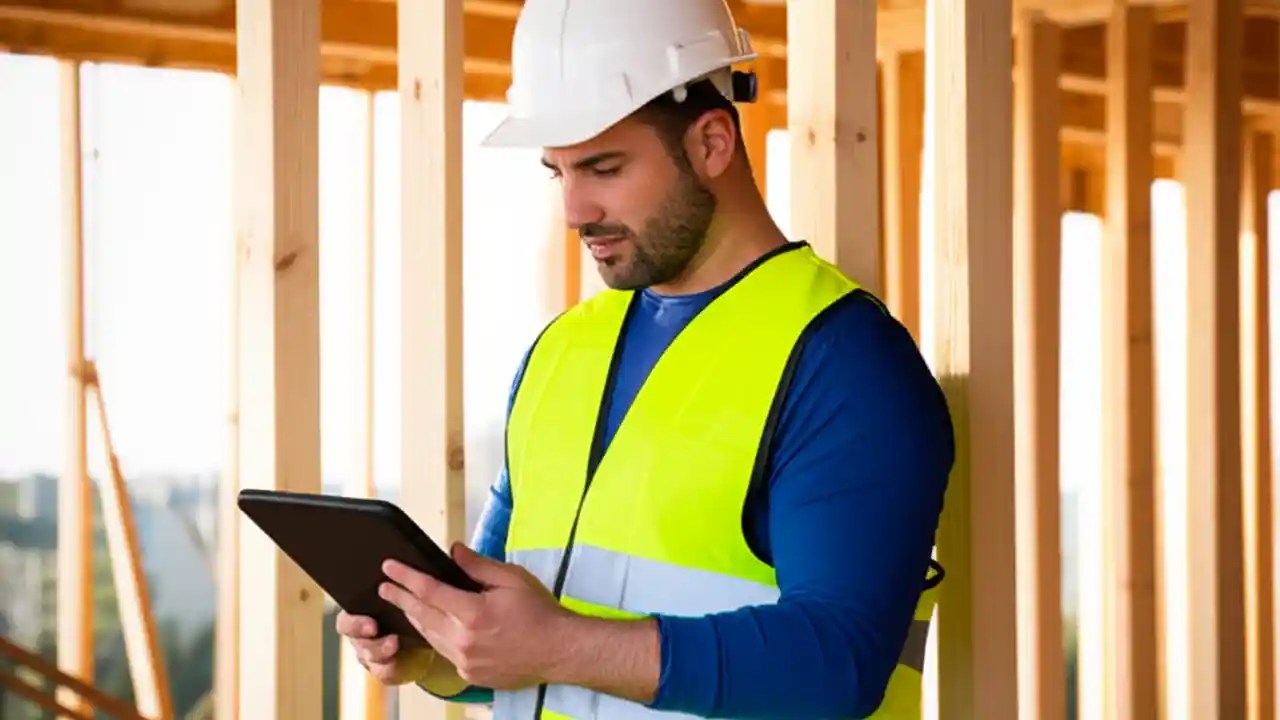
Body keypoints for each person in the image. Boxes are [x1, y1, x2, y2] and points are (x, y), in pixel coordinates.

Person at [335, 0, 954, 717]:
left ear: (712, 143)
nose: (574, 210)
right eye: (556, 172)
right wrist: (439, 648)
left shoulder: (844, 363)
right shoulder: (562, 352)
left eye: (603, 167)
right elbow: (523, 643)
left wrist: (560, 644)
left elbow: (838, 663)